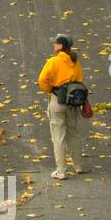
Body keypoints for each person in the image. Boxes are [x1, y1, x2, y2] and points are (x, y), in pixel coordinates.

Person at [37, 34, 87, 179]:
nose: (53, 45)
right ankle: (78, 166)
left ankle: (61, 171)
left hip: (57, 100)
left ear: (60, 46)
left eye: (55, 43)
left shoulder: (53, 61)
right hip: (73, 103)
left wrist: (50, 90)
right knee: (73, 133)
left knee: (58, 135)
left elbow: (42, 79)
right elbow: (79, 80)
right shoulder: (75, 61)